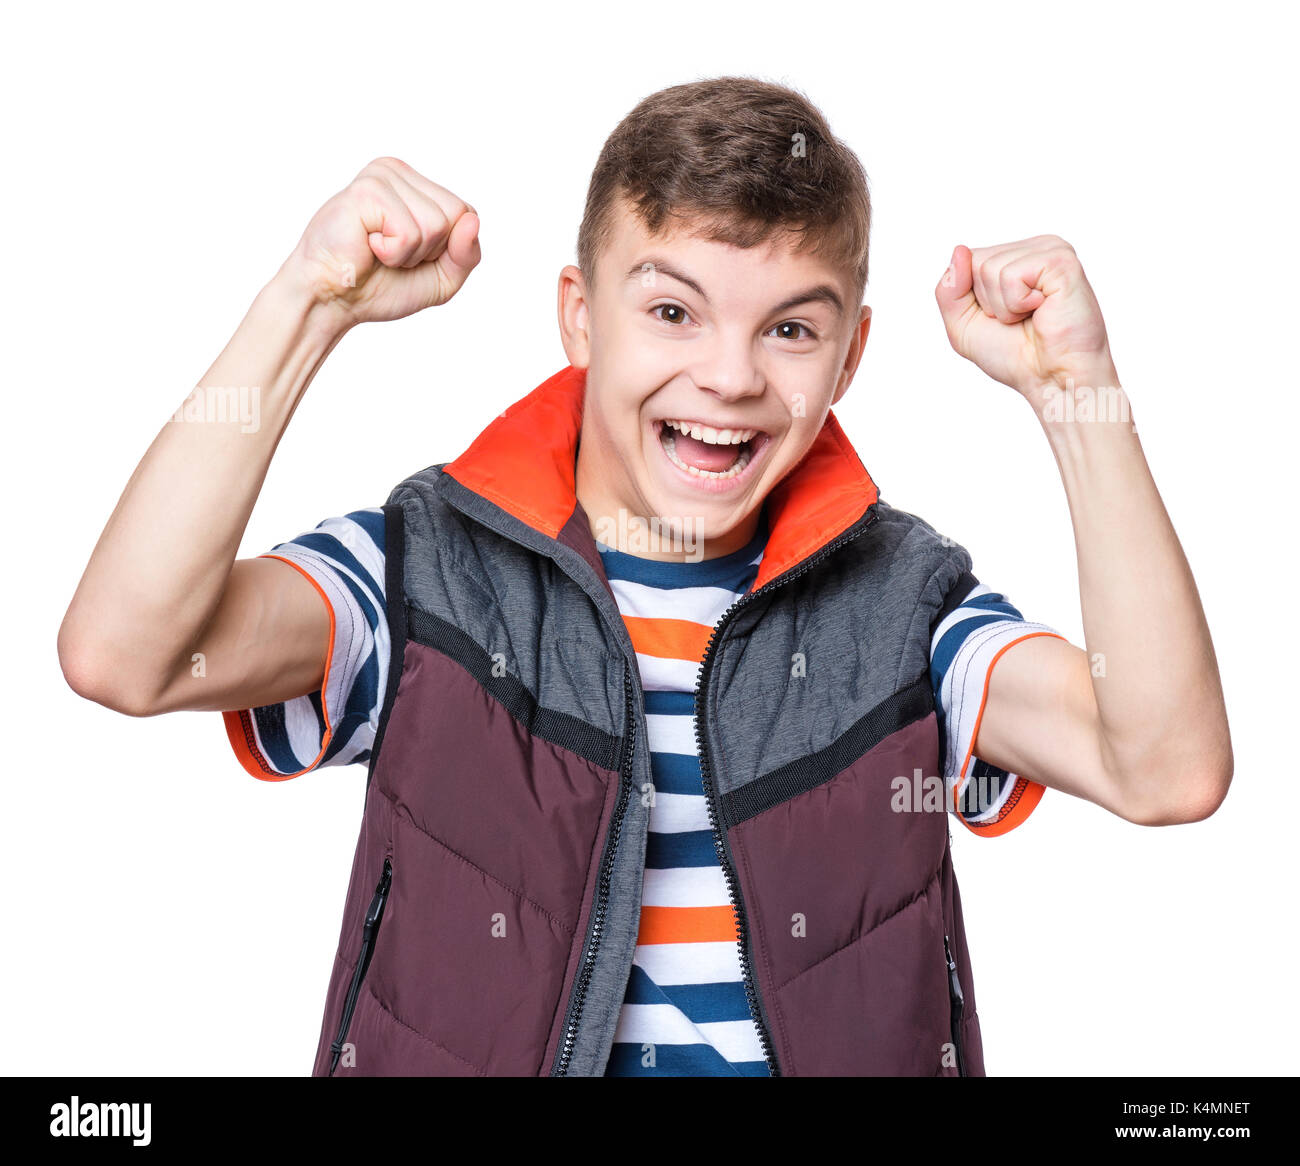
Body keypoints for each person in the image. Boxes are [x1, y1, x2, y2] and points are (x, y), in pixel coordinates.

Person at [58, 76, 1232, 1077]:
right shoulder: (426, 573)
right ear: (580, 318)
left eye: (789, 328)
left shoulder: (905, 609)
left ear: (851, 355)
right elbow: (128, 652)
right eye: (672, 309)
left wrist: (1079, 397)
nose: (727, 374)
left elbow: (1163, 765)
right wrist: (304, 307)